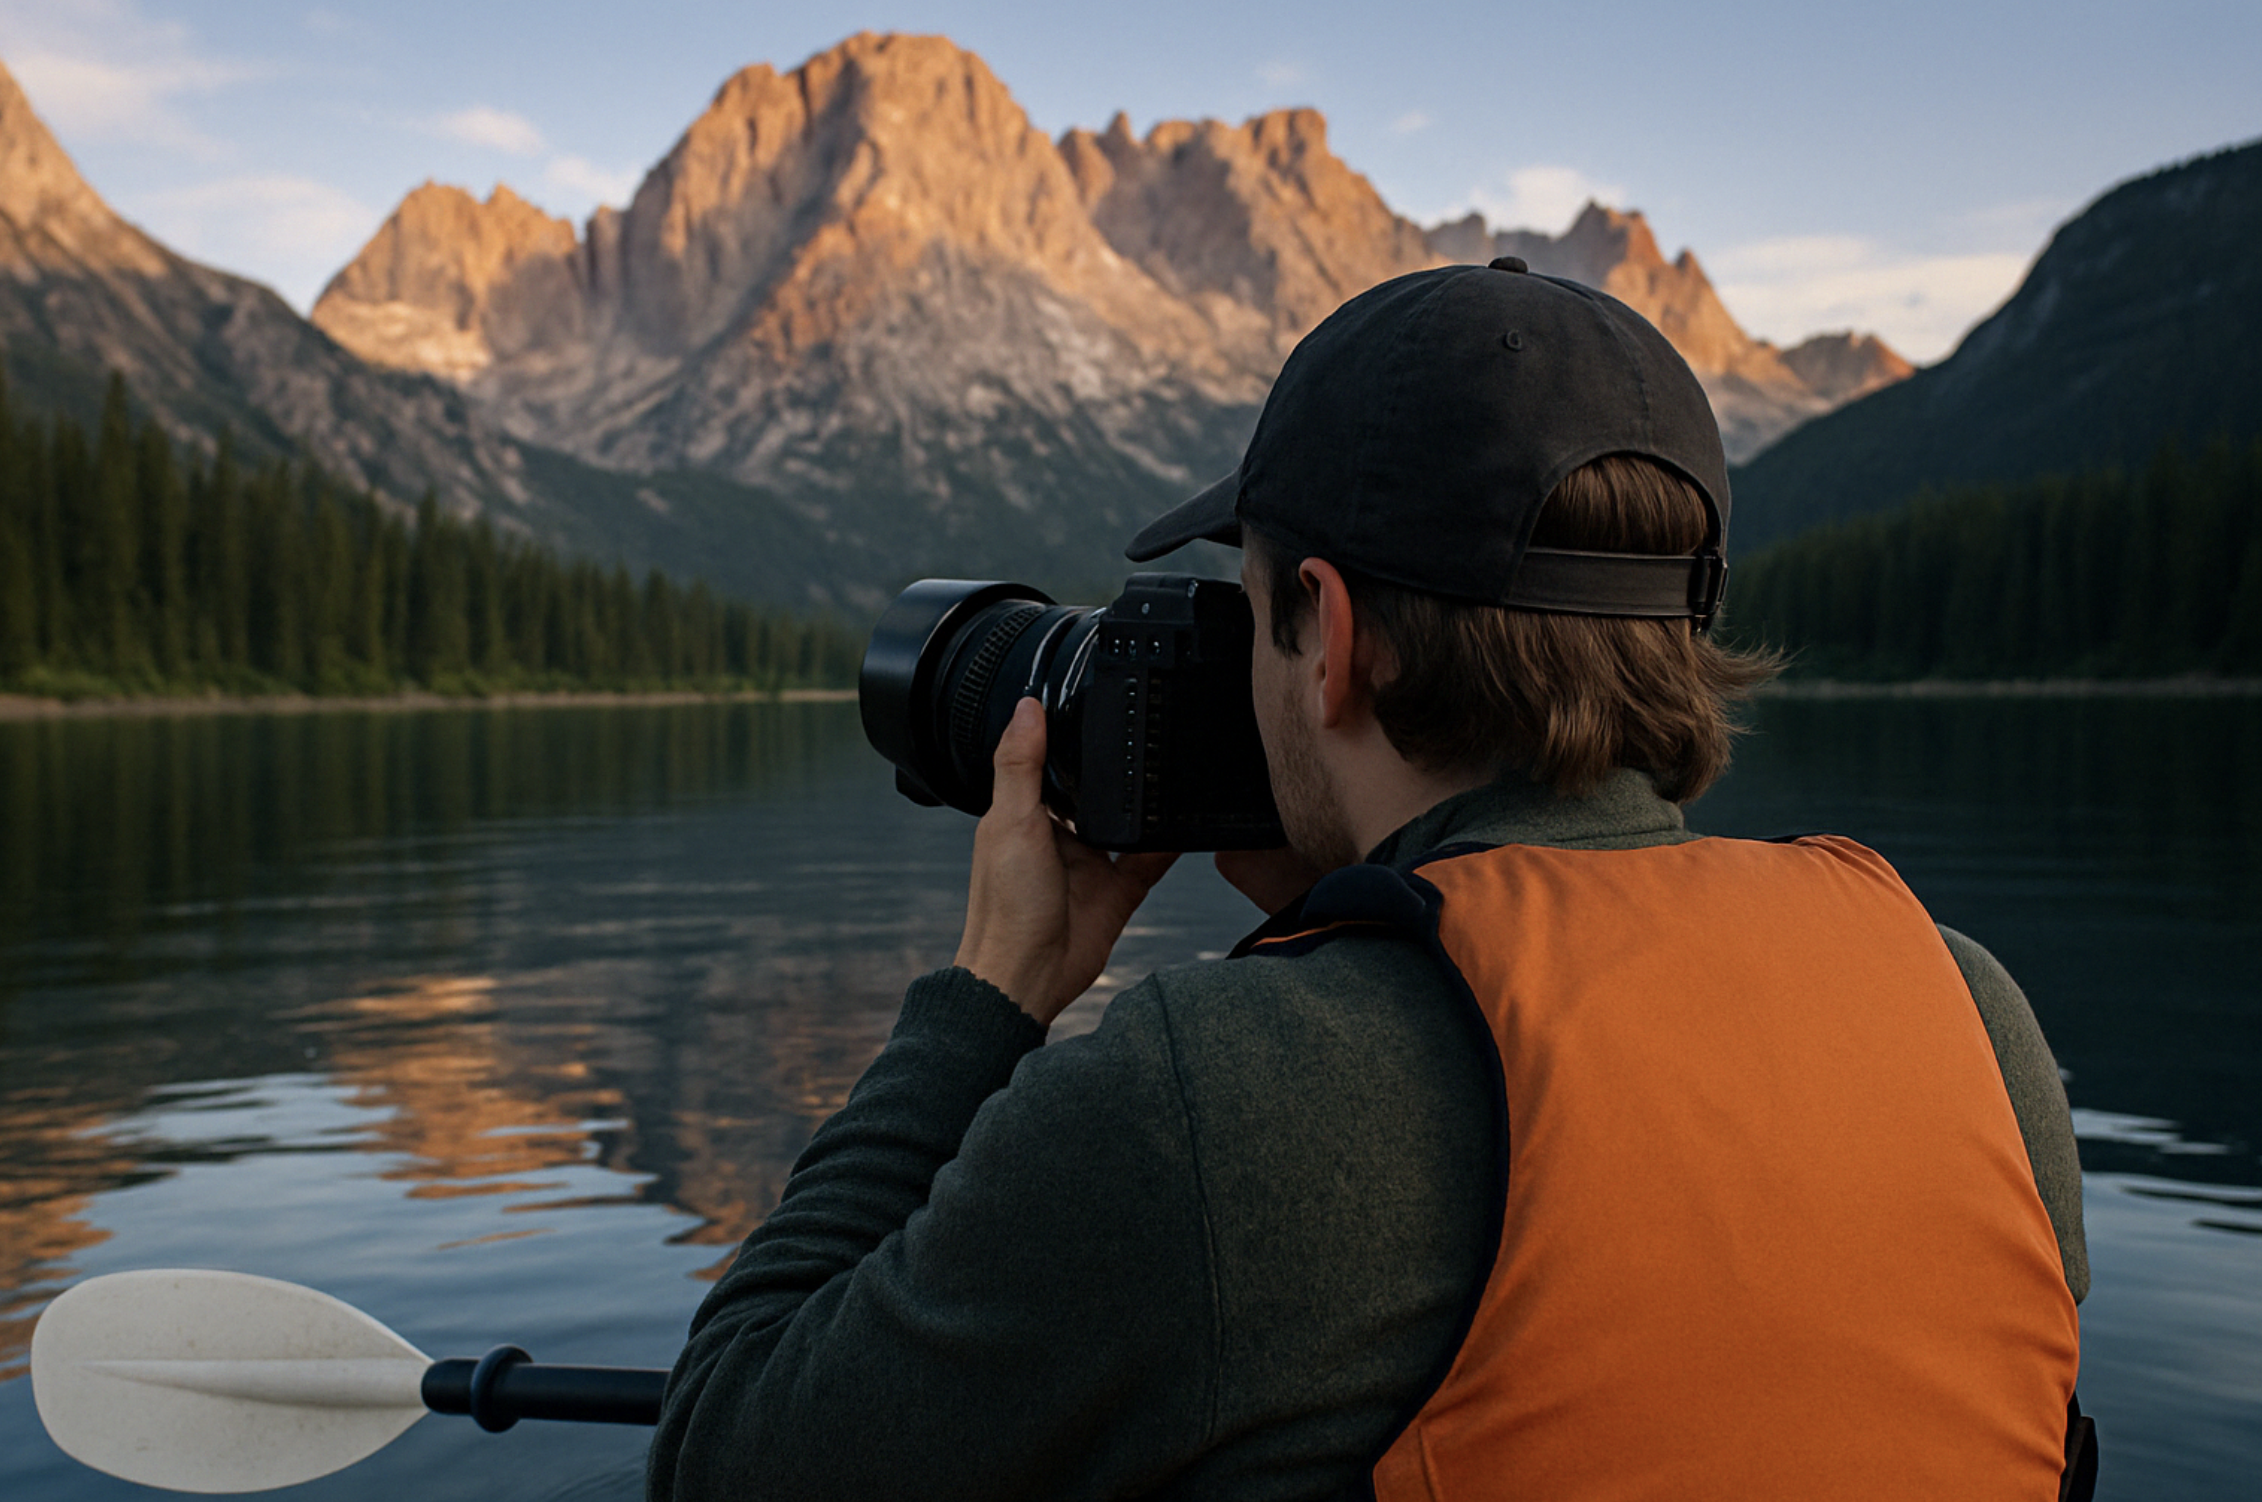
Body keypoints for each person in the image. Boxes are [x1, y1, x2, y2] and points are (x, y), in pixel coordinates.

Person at [646, 260, 2091, 1501]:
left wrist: (988, 994)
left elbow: (724, 1458)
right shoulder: (1968, 1011)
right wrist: (1356, 909)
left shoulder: (1208, 1094)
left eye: (1254, 611)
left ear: (1329, 636)